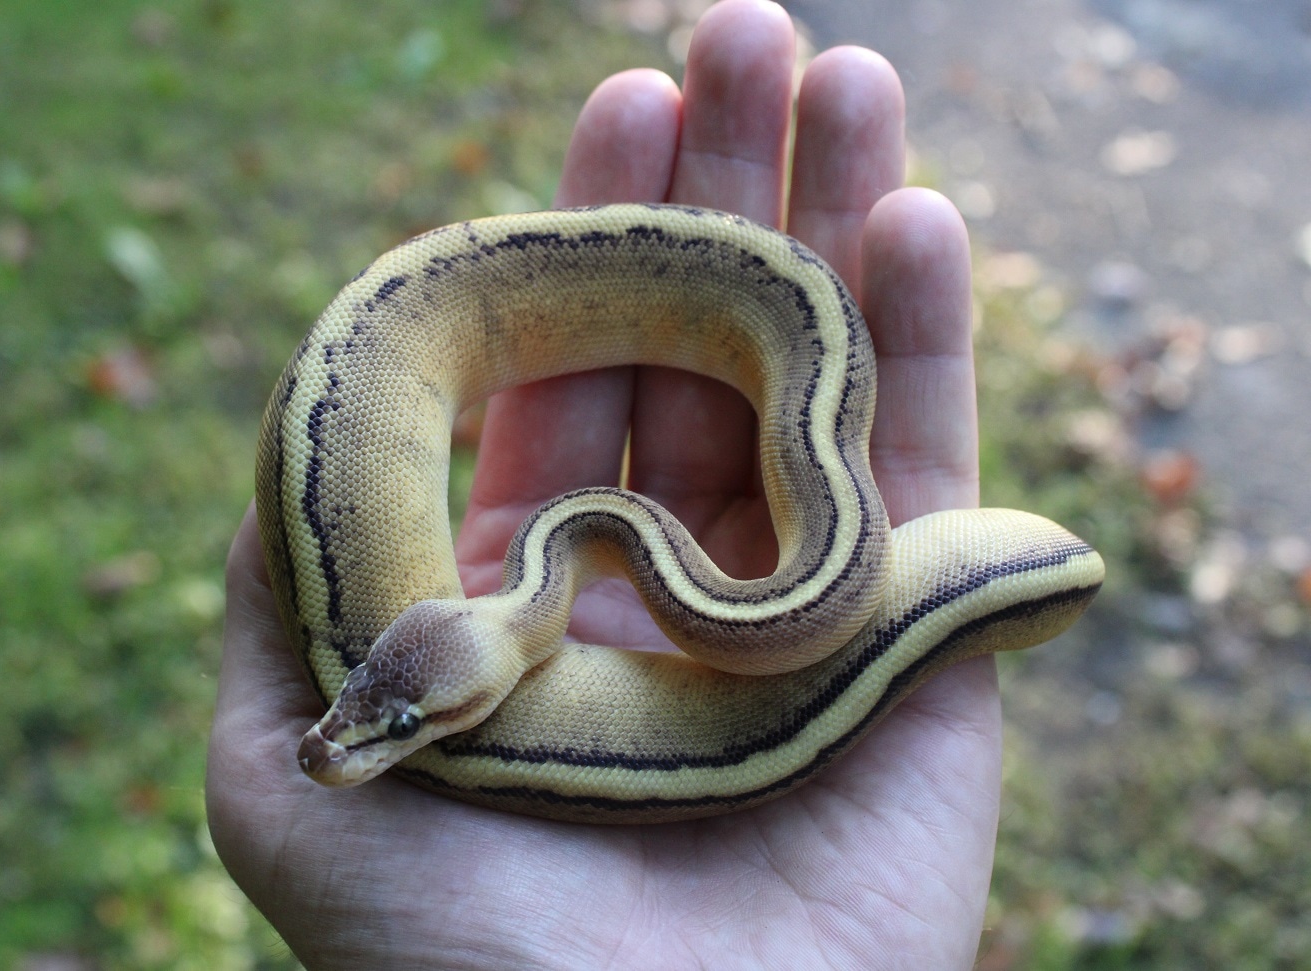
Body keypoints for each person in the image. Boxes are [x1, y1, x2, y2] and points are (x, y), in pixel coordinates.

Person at [207, 1, 993, 966]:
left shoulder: (546, 584)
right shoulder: (500, 618)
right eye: (382, 710)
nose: (339, 748)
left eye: (399, 723)